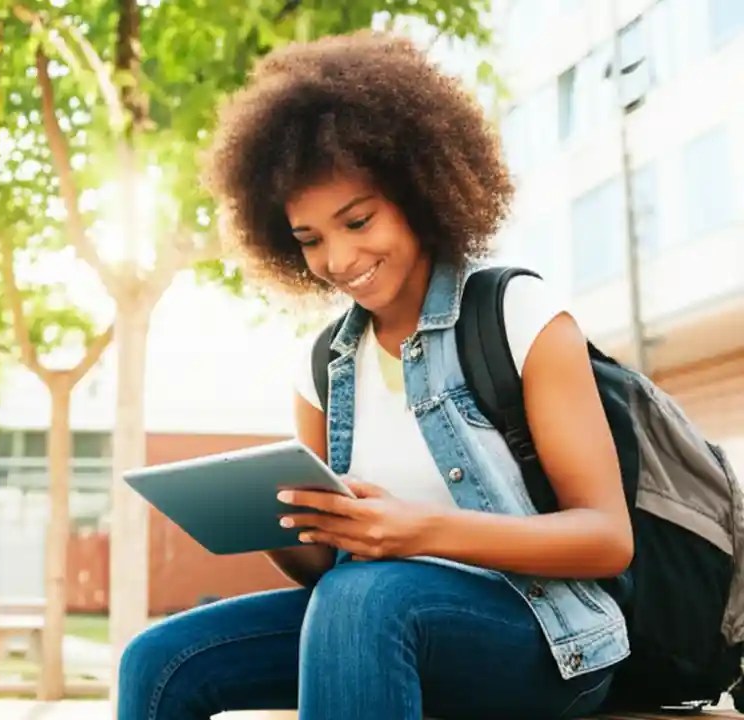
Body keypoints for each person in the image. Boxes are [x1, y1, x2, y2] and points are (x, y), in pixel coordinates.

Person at [118, 32, 634, 720]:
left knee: (364, 597)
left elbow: (606, 539)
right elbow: (322, 572)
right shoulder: (323, 366)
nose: (338, 257)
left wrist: (415, 532)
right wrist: (283, 526)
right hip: (370, 623)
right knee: (158, 661)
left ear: (416, 191)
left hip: (546, 639)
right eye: (309, 239)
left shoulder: (516, 314)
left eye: (357, 220)